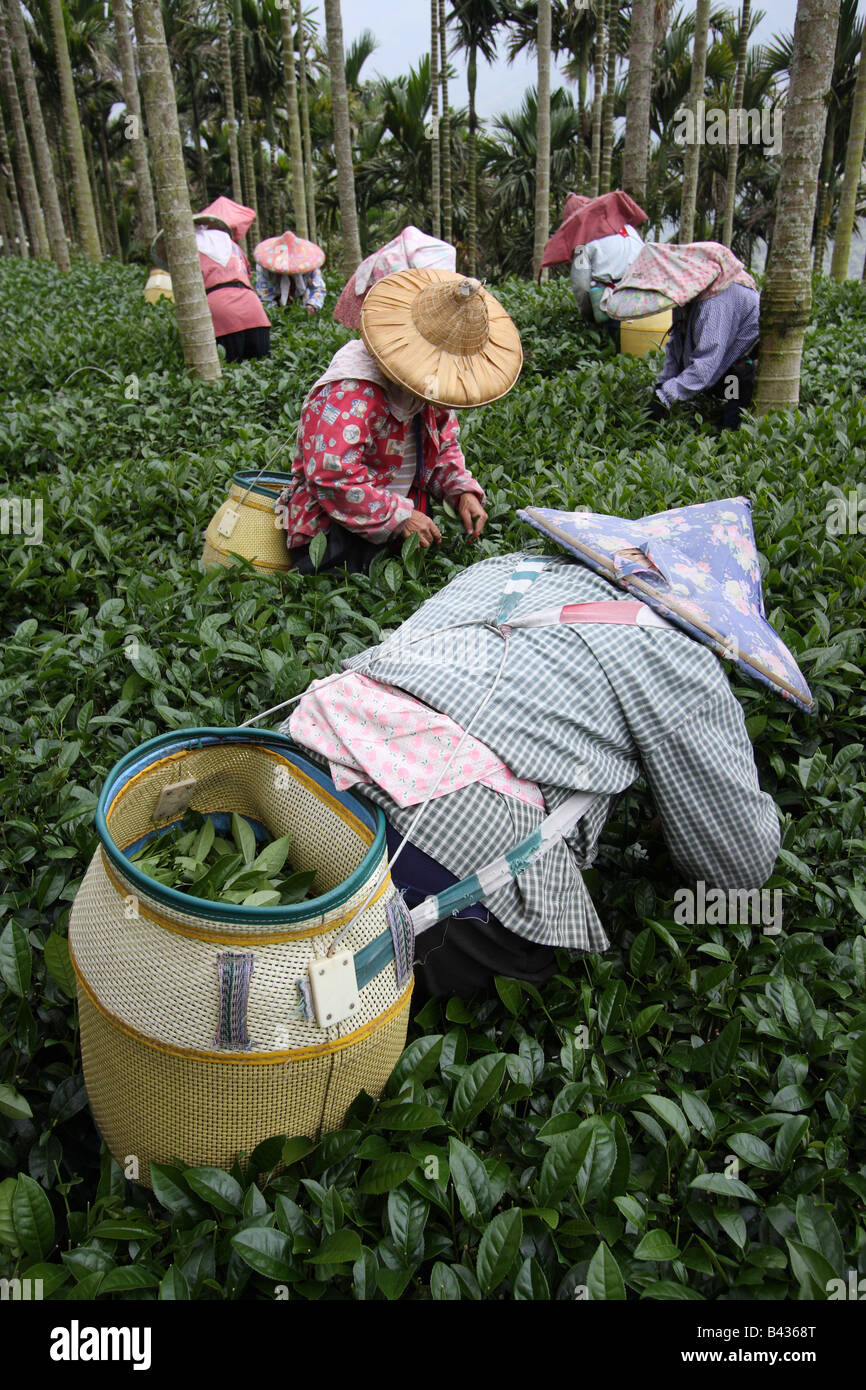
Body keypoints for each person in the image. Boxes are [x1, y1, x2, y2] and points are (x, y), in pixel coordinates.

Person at [281, 497, 811, 1004]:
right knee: (530, 962)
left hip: (298, 752)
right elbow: (736, 865)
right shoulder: (680, 656)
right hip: (428, 839)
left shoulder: (510, 567)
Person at [278, 267, 523, 575]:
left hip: (401, 526)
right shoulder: (353, 391)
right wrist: (399, 516)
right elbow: (331, 474)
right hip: (333, 533)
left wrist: (462, 492)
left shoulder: (431, 388)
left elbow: (442, 447)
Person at [602, 241, 760, 428]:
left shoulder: (714, 303)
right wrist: (662, 386)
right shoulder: (686, 299)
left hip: (742, 367)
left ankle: (731, 438)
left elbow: (707, 364)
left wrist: (667, 396)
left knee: (733, 407)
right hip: (722, 364)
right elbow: (677, 341)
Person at [152, 196, 271, 363]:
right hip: (254, 310)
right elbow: (247, 274)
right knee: (262, 368)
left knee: (231, 373)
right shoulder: (232, 246)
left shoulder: (188, 254)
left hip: (220, 313)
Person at [253, 230, 326, 314]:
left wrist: (312, 305)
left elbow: (318, 288)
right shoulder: (264, 265)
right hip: (276, 301)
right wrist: (275, 312)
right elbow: (264, 293)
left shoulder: (309, 264)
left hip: (302, 302)